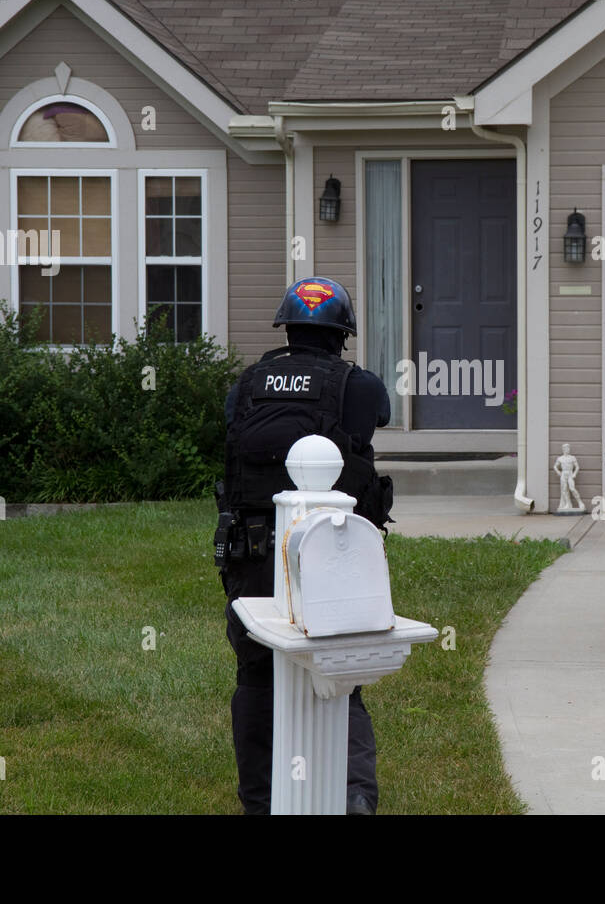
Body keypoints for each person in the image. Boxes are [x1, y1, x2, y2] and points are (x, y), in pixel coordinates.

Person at [217, 276, 394, 814]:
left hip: (250, 552)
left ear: (286, 326)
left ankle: (260, 800)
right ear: (343, 333)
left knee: (255, 672)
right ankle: (352, 795)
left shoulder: (246, 384)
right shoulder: (356, 385)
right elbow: (379, 419)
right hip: (330, 555)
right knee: (341, 671)